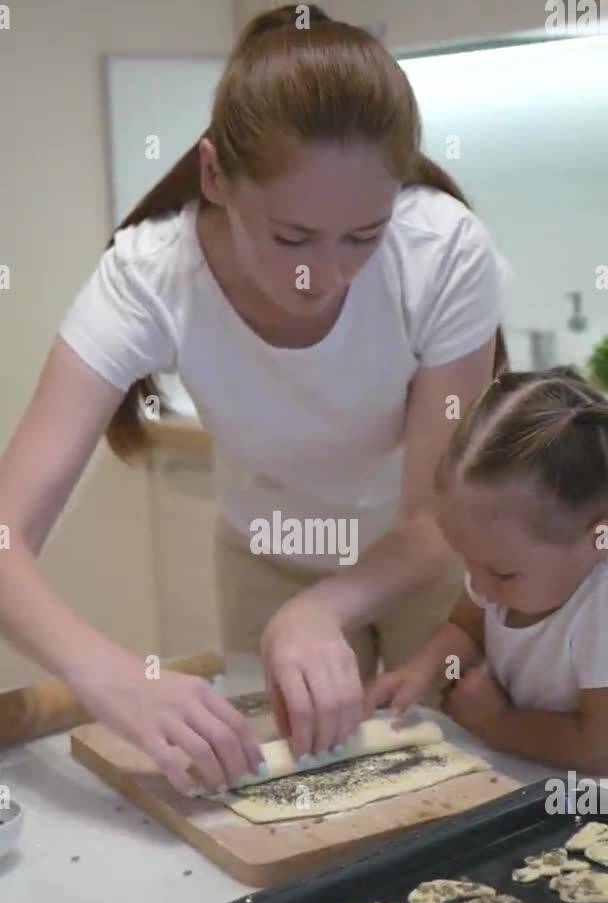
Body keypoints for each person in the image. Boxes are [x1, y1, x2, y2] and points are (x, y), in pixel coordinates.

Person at [0, 4, 512, 796]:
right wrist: (115, 679)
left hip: (424, 562)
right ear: (215, 176)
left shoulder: (442, 251)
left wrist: (320, 611)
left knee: (444, 791)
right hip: (266, 556)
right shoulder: (148, 277)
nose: (327, 276)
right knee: (286, 796)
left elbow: (438, 517)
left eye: (364, 236)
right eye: (292, 238)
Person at [367, 366, 608, 774]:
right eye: (466, 560)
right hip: (525, 771)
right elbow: (468, 626)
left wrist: (496, 723)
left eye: (502, 574)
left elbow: (599, 750)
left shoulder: (599, 610)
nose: (478, 585)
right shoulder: (499, 564)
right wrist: (420, 670)